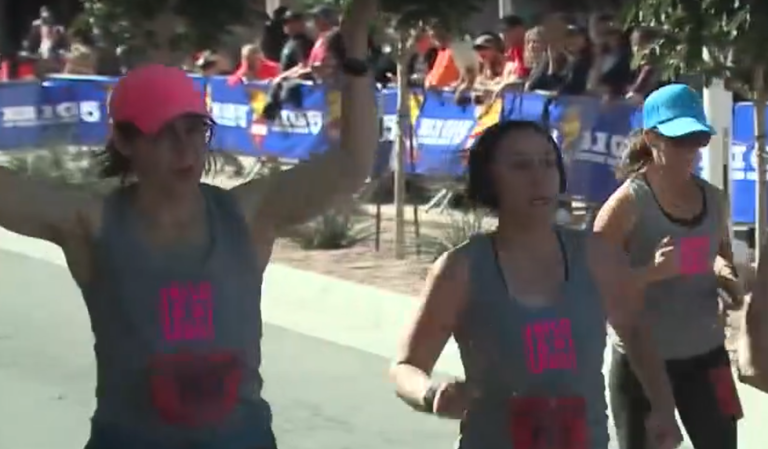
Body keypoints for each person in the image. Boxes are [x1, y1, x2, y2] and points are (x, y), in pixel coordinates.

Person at [0, 1, 377, 448]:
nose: (185, 149)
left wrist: (354, 41)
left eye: (194, 129)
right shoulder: (92, 225)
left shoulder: (248, 214)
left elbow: (352, 165)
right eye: (163, 133)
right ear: (124, 140)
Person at [389, 119, 682, 449]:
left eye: (547, 163)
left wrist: (663, 408)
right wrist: (431, 394)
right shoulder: (461, 270)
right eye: (520, 165)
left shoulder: (598, 257)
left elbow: (636, 333)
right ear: (489, 179)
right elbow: (406, 367)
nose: (539, 176)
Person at [593, 84, 743, 449]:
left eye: (698, 139)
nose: (690, 151)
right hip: (642, 365)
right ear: (651, 138)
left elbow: (716, 254)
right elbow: (593, 289)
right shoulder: (626, 206)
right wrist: (651, 274)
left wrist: (726, 277)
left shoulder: (714, 199)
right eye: (679, 140)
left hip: (708, 357)